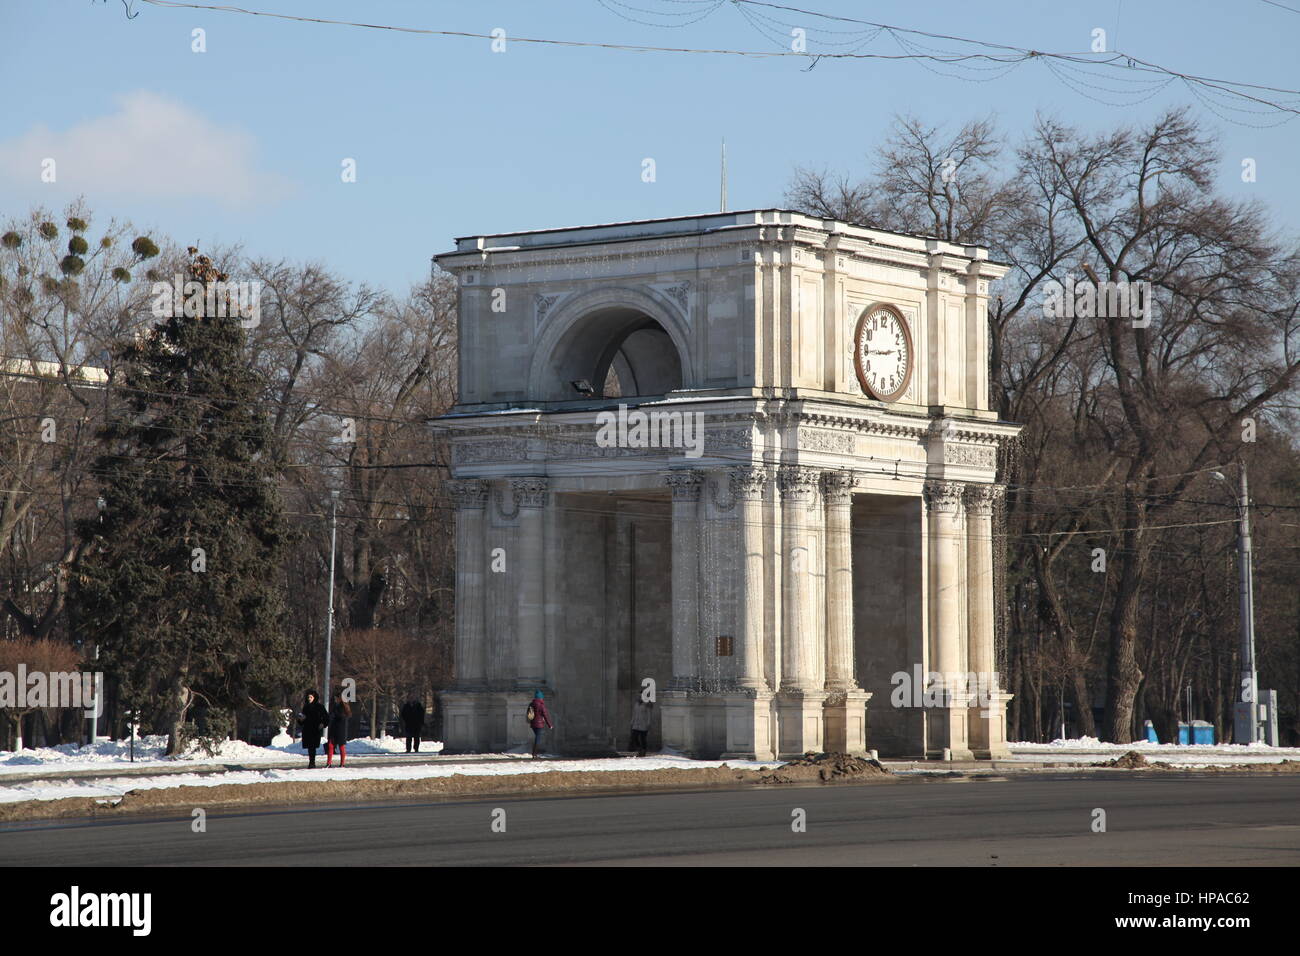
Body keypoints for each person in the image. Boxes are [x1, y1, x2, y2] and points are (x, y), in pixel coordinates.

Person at [297, 690, 329, 769]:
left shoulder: (319, 707)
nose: (309, 699)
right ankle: (311, 762)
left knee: (313, 747)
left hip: (315, 729)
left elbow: (326, 717)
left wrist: (323, 723)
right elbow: (302, 720)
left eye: (311, 697)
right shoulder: (306, 707)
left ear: (314, 698)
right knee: (309, 747)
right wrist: (301, 719)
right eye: (308, 697)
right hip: (307, 729)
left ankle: (312, 763)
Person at [326, 690, 351, 767]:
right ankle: (329, 763)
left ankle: (342, 763)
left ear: (340, 698)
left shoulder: (343, 707)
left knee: (341, 746)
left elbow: (343, 717)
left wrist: (334, 716)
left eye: (336, 698)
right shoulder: (335, 706)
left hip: (340, 730)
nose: (335, 699)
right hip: (333, 729)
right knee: (330, 746)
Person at [527, 690, 553, 759]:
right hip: (539, 724)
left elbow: (529, 714)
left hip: (533, 724)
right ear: (541, 698)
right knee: (538, 738)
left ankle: (535, 753)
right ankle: (534, 753)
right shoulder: (541, 705)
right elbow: (545, 716)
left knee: (537, 737)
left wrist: (529, 721)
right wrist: (549, 725)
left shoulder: (531, 704)